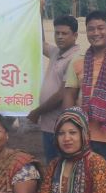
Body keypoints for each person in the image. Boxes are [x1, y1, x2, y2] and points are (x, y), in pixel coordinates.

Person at [63, 10, 106, 158]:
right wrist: (70, 128)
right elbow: (69, 96)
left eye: (100, 28)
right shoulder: (77, 60)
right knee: (87, 179)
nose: (96, 33)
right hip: (86, 136)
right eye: (91, 29)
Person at [28, 15, 82, 163]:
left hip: (60, 126)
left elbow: (62, 95)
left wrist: (37, 112)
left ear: (75, 35)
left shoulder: (75, 57)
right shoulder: (56, 52)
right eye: (57, 33)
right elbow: (41, 43)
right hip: (49, 124)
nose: (59, 37)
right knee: (52, 166)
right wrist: (38, 12)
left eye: (64, 33)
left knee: (59, 165)